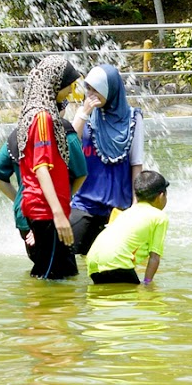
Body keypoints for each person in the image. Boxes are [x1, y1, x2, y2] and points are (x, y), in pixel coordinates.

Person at [15, 54, 82, 280]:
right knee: (51, 278)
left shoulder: (37, 112)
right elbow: (41, 167)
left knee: (64, 274)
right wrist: (58, 215)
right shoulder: (42, 117)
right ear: (55, 82)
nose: (70, 92)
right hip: (46, 212)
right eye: (68, 85)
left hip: (47, 210)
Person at [70, 62, 144, 255]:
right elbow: (68, 146)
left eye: (96, 90)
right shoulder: (84, 115)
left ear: (110, 90)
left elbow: (136, 163)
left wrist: (136, 204)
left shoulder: (133, 118)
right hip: (84, 203)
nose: (91, 95)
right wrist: (84, 113)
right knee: (72, 255)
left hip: (119, 206)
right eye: (88, 89)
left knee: (114, 260)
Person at [0, 117, 88, 250]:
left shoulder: (19, 133)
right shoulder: (64, 131)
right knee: (59, 261)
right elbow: (81, 173)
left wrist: (21, 200)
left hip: (25, 217)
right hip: (50, 216)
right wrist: (63, 200)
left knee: (41, 260)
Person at [86, 169, 169, 286]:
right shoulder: (159, 217)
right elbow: (154, 257)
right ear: (161, 196)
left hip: (93, 262)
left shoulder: (126, 212)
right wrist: (147, 284)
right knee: (136, 294)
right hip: (117, 262)